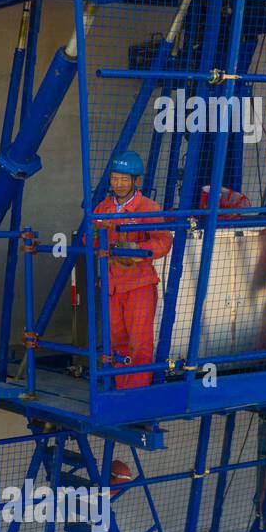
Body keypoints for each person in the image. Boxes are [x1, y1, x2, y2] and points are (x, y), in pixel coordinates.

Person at [92, 151, 172, 392]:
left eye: (124, 179)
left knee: (140, 343)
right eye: (115, 178)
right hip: (111, 286)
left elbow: (164, 242)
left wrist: (137, 249)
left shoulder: (148, 208)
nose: (118, 184)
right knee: (116, 341)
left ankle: (135, 394)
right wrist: (99, 237)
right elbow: (89, 237)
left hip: (139, 286)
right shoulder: (104, 208)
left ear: (136, 181)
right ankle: (119, 390)